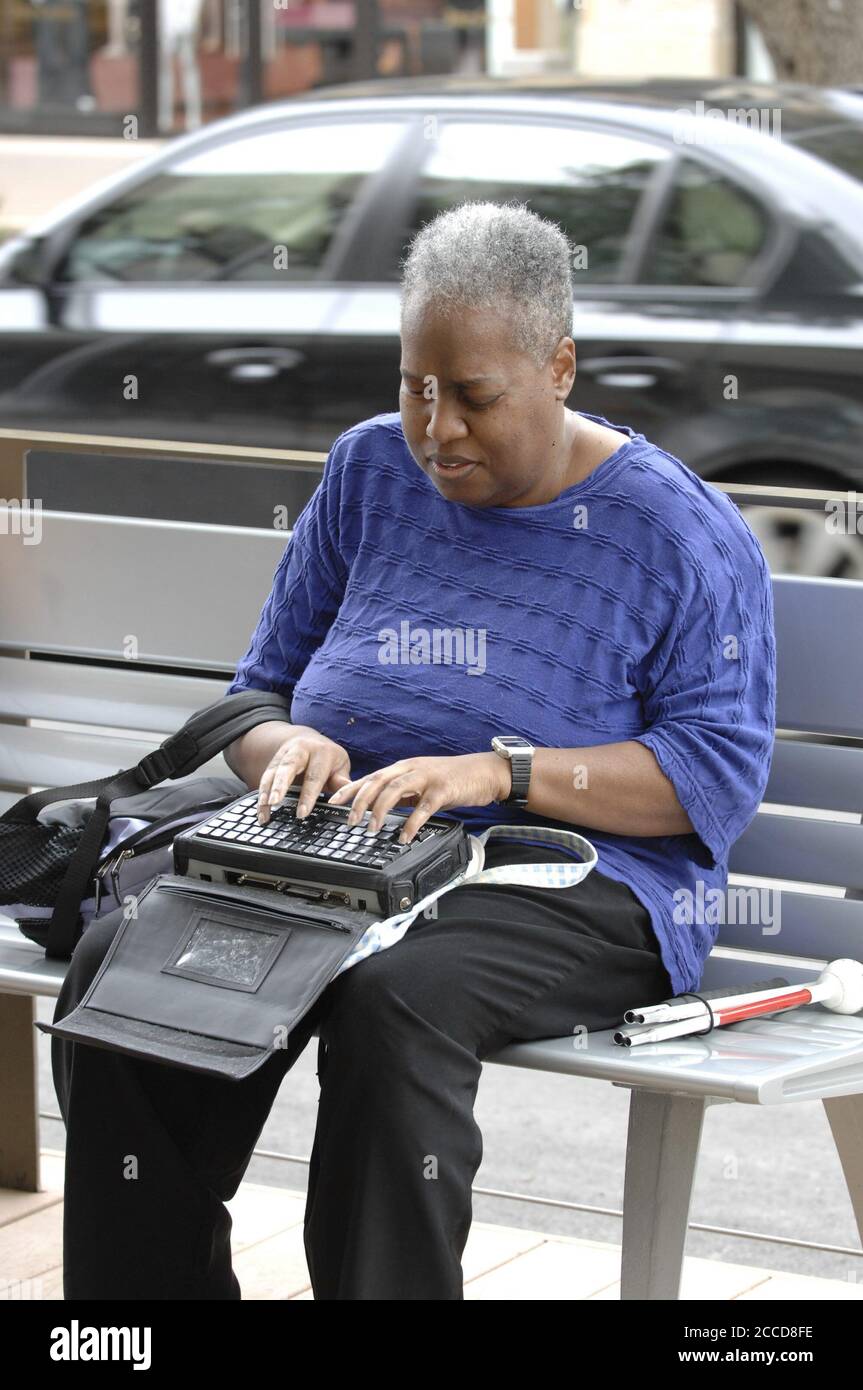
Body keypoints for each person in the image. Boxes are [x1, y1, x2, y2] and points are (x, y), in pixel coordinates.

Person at [51, 200, 776, 1300]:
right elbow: (260, 690)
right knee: (121, 967)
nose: (437, 429)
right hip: (341, 852)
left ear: (560, 367)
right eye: (414, 386)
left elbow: (712, 776)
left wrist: (501, 772)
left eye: (475, 397)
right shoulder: (367, 472)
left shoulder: (675, 533)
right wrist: (282, 745)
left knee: (393, 998)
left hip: (571, 878)